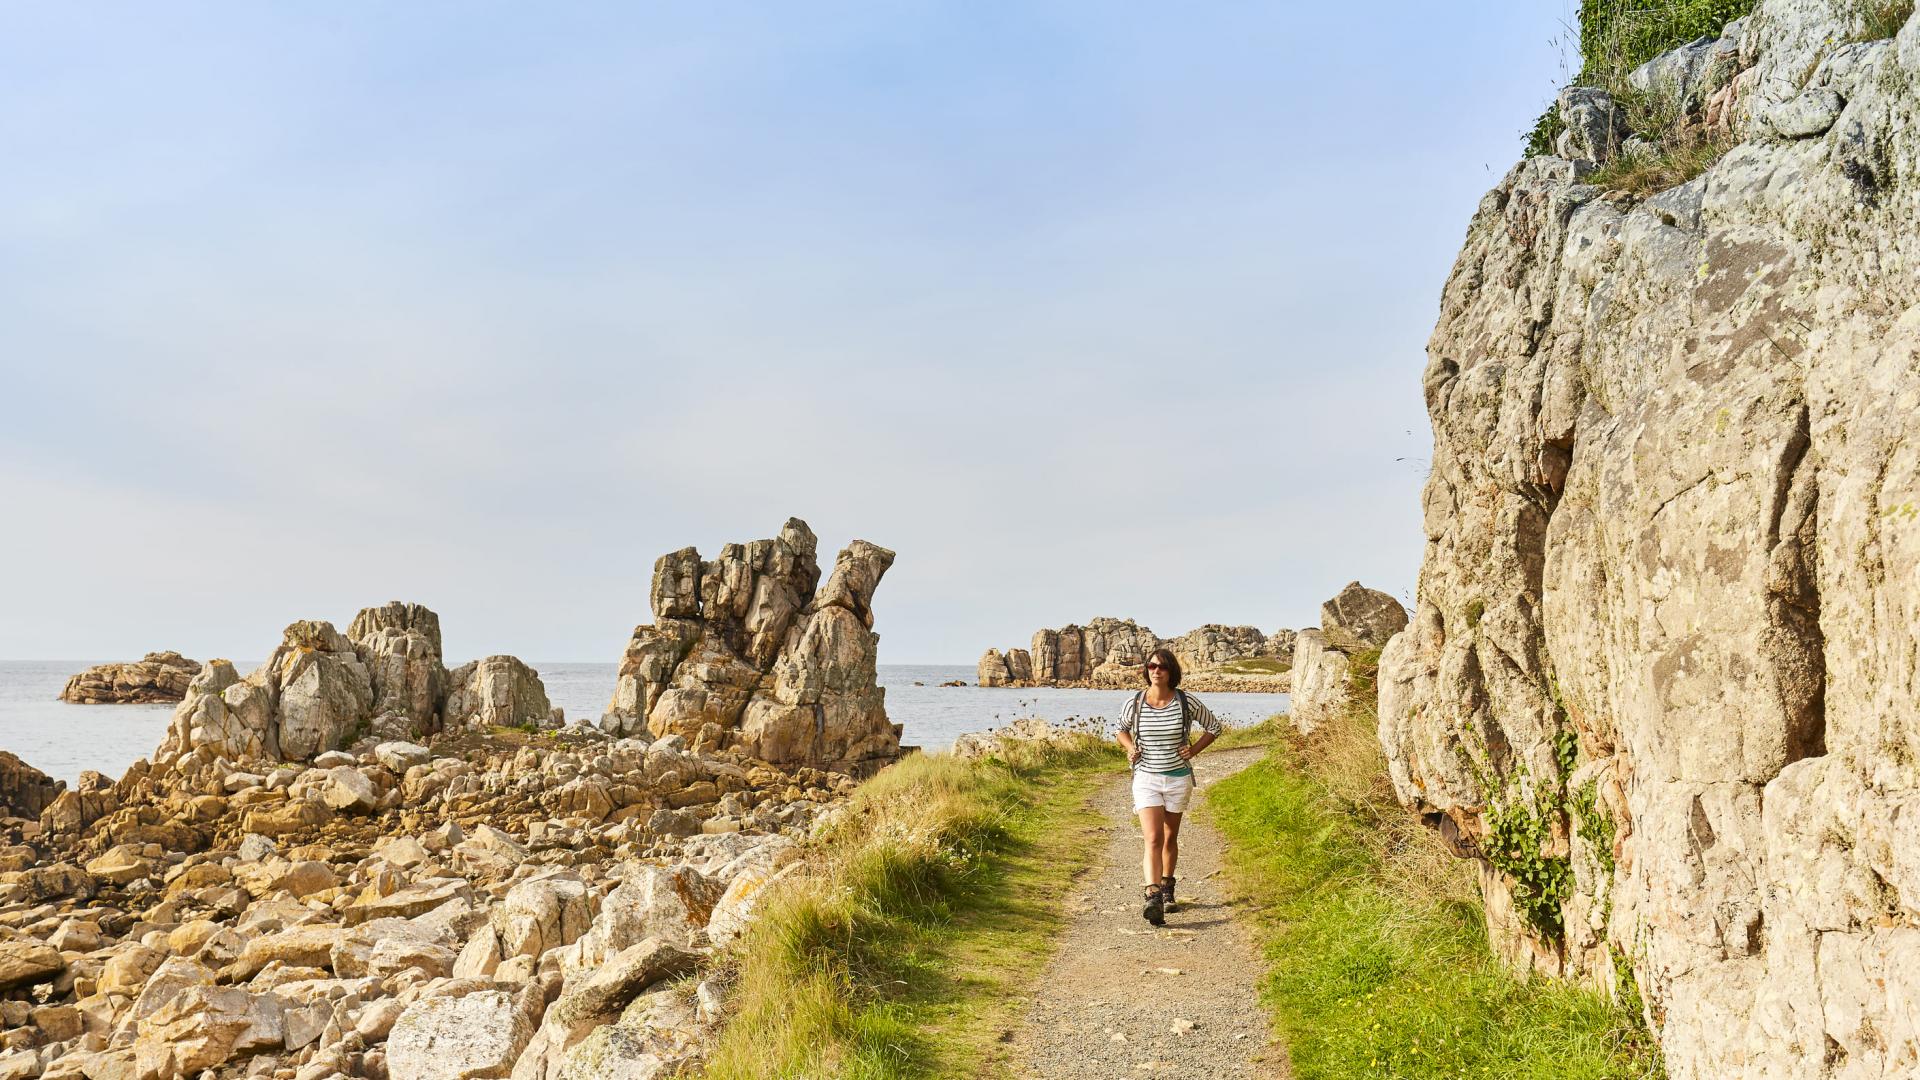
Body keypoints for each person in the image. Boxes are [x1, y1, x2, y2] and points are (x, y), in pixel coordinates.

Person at [1115, 647, 1220, 926]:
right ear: (1146, 671)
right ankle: (1152, 896)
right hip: (1146, 777)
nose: (1155, 671)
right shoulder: (1135, 702)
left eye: (1161, 667)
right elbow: (1120, 729)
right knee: (1152, 838)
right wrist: (1130, 748)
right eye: (1151, 667)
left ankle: (1167, 887)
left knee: (1170, 836)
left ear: (1171, 671)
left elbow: (1214, 727)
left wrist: (1193, 750)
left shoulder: (1185, 701)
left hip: (1177, 778)